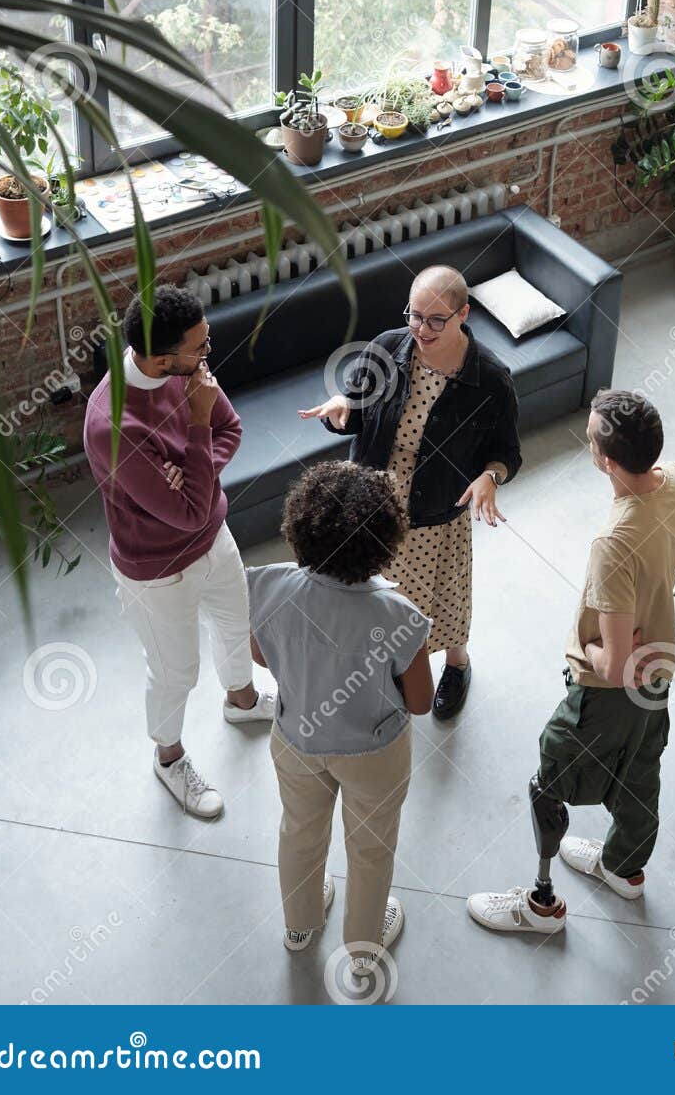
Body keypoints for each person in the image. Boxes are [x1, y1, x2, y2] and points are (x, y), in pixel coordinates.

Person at [465, 388, 675, 935]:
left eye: (590, 439)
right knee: (638, 771)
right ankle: (624, 869)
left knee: (547, 778)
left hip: (606, 694)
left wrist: (596, 647)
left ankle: (541, 906)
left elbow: (613, 667)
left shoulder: (614, 542)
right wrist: (663, 568)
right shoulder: (673, 477)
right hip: (659, 674)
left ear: (605, 460)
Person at [84, 284, 274, 820]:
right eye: (200, 349)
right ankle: (169, 758)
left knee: (236, 625)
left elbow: (230, 428)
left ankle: (242, 702)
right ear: (164, 357)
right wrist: (196, 425)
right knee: (175, 673)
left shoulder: (187, 373)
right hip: (157, 570)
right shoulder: (112, 425)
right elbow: (186, 508)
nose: (207, 356)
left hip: (214, 536)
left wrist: (190, 471)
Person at [299, 264, 521, 720]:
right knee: (376, 599)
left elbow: (506, 454)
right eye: (414, 316)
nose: (421, 329)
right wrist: (341, 405)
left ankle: (456, 666)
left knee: (442, 598)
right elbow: (356, 412)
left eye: (435, 320)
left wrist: (489, 477)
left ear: (464, 314)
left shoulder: (492, 380)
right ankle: (388, 669)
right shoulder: (385, 348)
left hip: (436, 512)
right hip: (373, 507)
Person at [248, 461, 433, 979]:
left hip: (295, 737)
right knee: (371, 849)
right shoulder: (399, 615)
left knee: (300, 830)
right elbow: (420, 702)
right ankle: (363, 949)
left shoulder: (268, 586)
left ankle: (301, 923)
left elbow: (260, 657)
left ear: (298, 527)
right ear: (385, 540)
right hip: (374, 751)